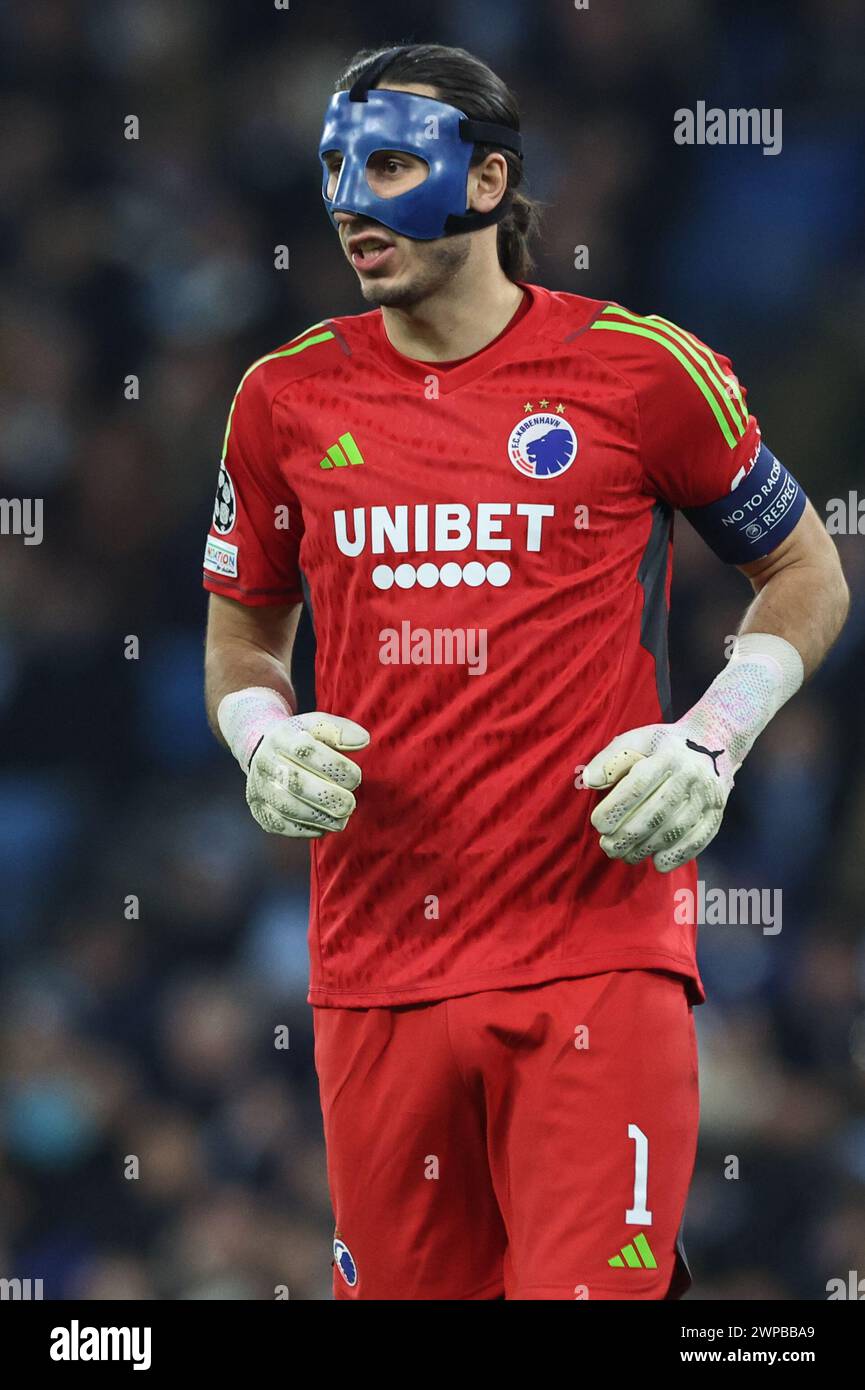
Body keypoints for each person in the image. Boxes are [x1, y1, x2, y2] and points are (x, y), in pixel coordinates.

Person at [202, 42, 848, 1300]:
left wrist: (713, 734)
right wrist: (257, 733)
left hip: (593, 949)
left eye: (389, 164)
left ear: (489, 180)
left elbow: (810, 573)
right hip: (372, 962)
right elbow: (243, 635)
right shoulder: (280, 400)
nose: (351, 201)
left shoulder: (642, 370)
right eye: (337, 165)